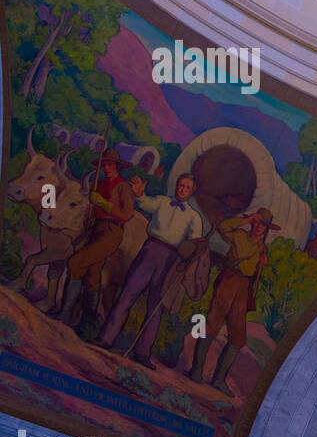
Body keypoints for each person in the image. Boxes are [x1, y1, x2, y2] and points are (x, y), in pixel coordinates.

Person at [97, 172, 207, 368]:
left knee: (156, 306)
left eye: (187, 187)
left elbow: (194, 243)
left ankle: (142, 354)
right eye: (181, 185)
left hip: (171, 260)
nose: (182, 189)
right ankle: (106, 339)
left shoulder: (194, 217)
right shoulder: (163, 202)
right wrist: (139, 194)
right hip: (149, 251)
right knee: (127, 295)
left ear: (191, 192)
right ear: (177, 186)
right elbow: (145, 203)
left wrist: (194, 251)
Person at [190, 207, 277, 396]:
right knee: (213, 323)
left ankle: (219, 379)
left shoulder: (262, 248)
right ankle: (196, 370)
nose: (258, 227)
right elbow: (223, 226)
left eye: (262, 225)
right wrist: (245, 221)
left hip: (243, 288)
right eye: (256, 222)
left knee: (238, 337)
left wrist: (262, 263)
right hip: (229, 281)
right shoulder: (238, 235)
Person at [60, 149, 136, 333]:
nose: (107, 168)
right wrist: (92, 213)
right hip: (97, 227)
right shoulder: (99, 184)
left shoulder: (123, 187)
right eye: (104, 164)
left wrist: (103, 203)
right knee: (93, 275)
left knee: (75, 263)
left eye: (110, 164)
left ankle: (65, 315)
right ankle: (88, 326)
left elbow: (127, 214)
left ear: (117, 166)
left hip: (112, 232)